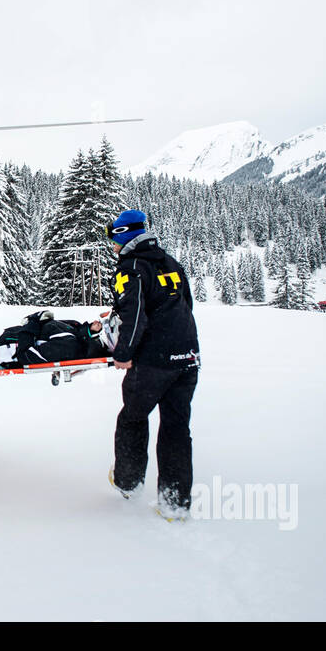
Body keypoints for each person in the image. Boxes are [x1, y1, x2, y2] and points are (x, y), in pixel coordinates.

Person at [105, 209, 201, 518]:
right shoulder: (169, 262)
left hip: (152, 362)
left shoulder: (131, 267)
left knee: (133, 417)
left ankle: (128, 481)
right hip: (187, 357)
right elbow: (186, 305)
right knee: (176, 428)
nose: (113, 247)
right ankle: (175, 502)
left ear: (125, 235)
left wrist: (123, 354)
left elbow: (135, 314)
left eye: (114, 239)